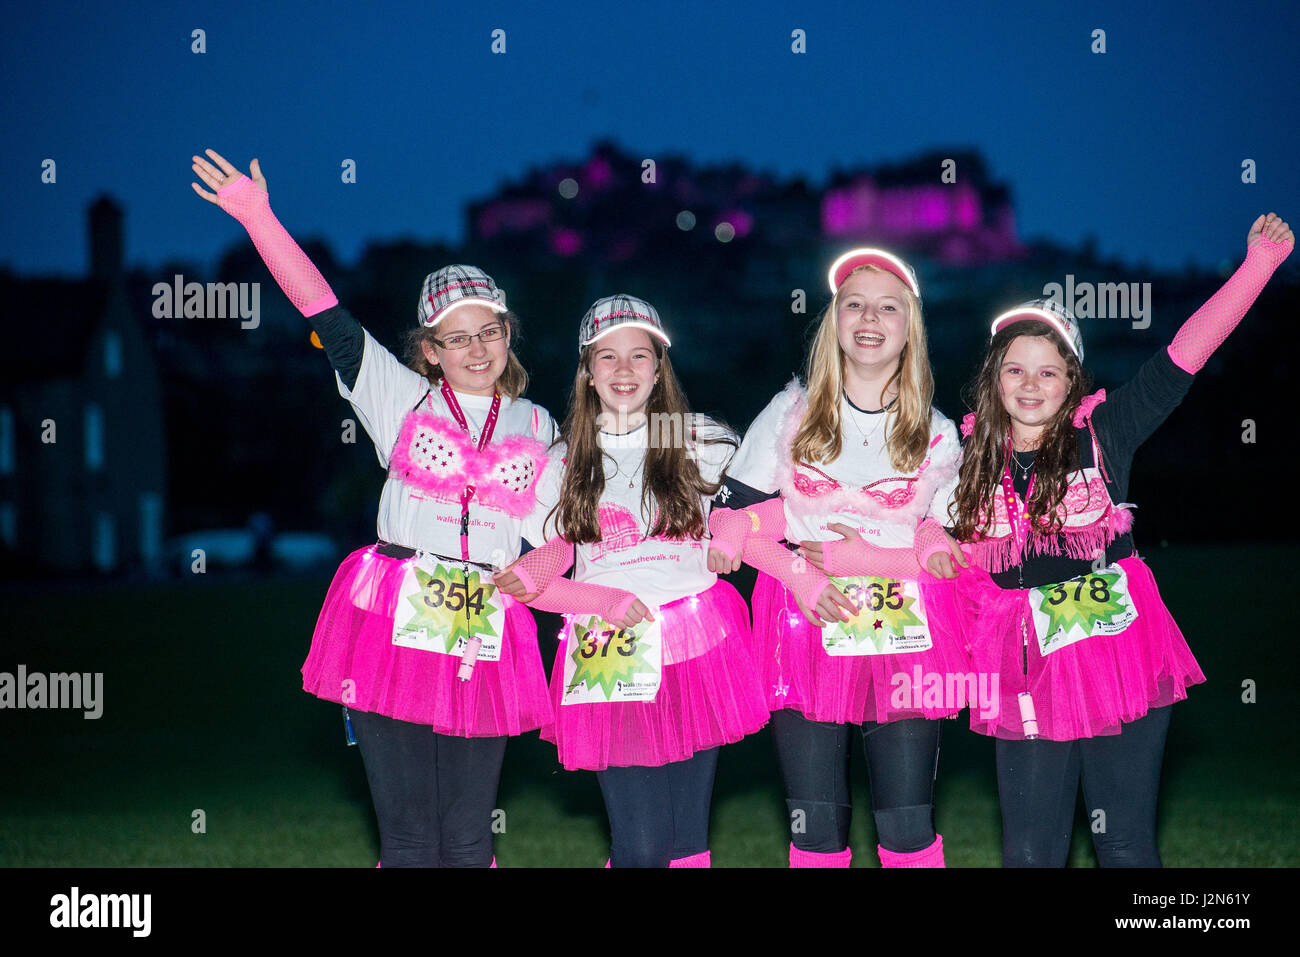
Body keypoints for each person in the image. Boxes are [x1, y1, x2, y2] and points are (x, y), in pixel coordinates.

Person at [190, 149, 561, 867]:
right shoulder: (397, 396)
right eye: (457, 337)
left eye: (489, 330)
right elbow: (322, 309)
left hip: (485, 624)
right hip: (395, 619)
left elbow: (555, 535)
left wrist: (542, 565)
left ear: (508, 332)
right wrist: (259, 217)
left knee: (470, 833)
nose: (477, 348)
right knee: (411, 835)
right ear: (430, 350)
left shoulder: (540, 423)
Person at [930, 213, 1293, 867]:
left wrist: (1257, 267)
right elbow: (915, 526)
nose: (1031, 385)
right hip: (1024, 663)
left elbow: (1184, 355)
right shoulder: (959, 456)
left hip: (1117, 653)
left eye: (1048, 372)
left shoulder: (1107, 431)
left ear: (1072, 381)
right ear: (995, 379)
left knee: (1122, 841)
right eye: (1016, 371)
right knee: (1031, 851)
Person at [707, 249, 968, 867]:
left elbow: (953, 555)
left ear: (910, 326)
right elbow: (727, 523)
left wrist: (868, 559)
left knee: (906, 827)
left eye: (887, 306)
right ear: (833, 322)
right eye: (853, 304)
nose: (869, 317)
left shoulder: (939, 433)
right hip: (805, 627)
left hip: (906, 635)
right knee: (816, 827)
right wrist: (798, 573)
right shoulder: (788, 414)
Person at [495, 294, 769, 867]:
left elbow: (767, 512)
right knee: (642, 848)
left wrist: (730, 532)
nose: (624, 371)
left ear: (659, 367)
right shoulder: (563, 461)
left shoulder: (699, 439)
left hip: (698, 645)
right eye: (608, 357)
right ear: (587, 372)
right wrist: (604, 598)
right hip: (609, 650)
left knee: (688, 842)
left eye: (639, 356)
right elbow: (527, 579)